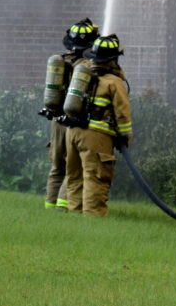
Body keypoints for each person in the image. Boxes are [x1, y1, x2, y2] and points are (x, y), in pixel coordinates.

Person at [61, 32, 132, 217]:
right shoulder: (114, 83)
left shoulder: (82, 74)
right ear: (113, 58)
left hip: (72, 133)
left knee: (75, 179)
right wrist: (125, 139)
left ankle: (74, 218)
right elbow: (123, 116)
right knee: (95, 179)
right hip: (96, 137)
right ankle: (93, 222)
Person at [42, 18, 97, 210]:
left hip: (56, 120)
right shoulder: (88, 67)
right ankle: (62, 208)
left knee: (57, 166)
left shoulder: (60, 61)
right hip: (74, 123)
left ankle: (49, 207)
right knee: (72, 169)